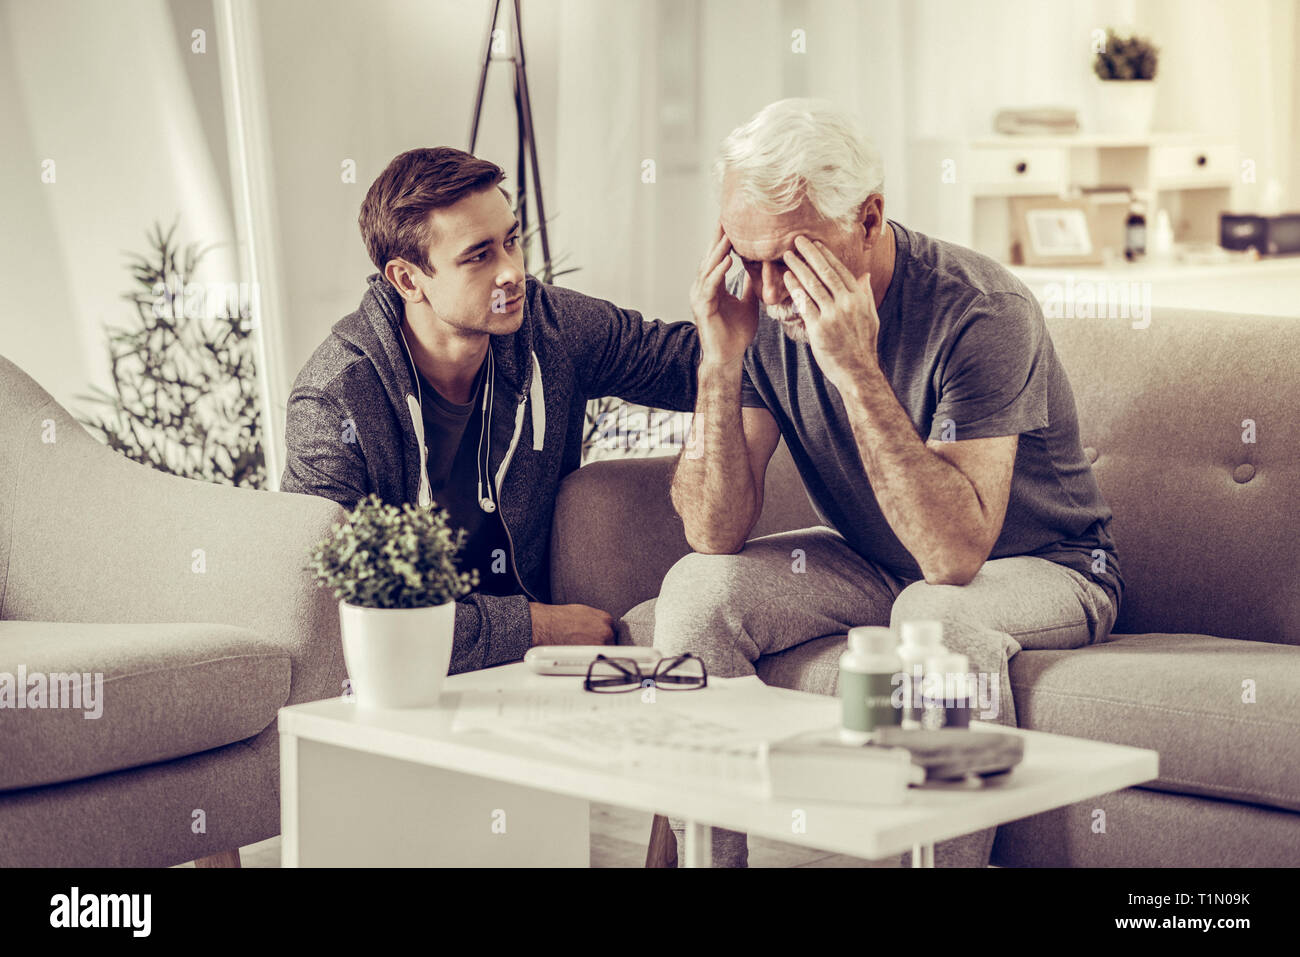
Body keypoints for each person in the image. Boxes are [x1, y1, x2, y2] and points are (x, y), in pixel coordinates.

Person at [643, 99, 1123, 867]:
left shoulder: (980, 311)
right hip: (878, 562)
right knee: (697, 587)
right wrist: (719, 358)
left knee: (933, 614)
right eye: (747, 256)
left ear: (869, 218)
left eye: (792, 259)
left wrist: (858, 371)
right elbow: (713, 530)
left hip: (1046, 565)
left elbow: (953, 557)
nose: (769, 292)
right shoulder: (761, 313)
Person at [282, 146, 700, 672]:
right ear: (408, 279)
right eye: (479, 256)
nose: (511, 273)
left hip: (542, 671)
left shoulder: (548, 325)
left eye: (511, 241)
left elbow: (692, 364)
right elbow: (333, 609)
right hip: (409, 680)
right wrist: (530, 627)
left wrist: (814, 334)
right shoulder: (335, 400)